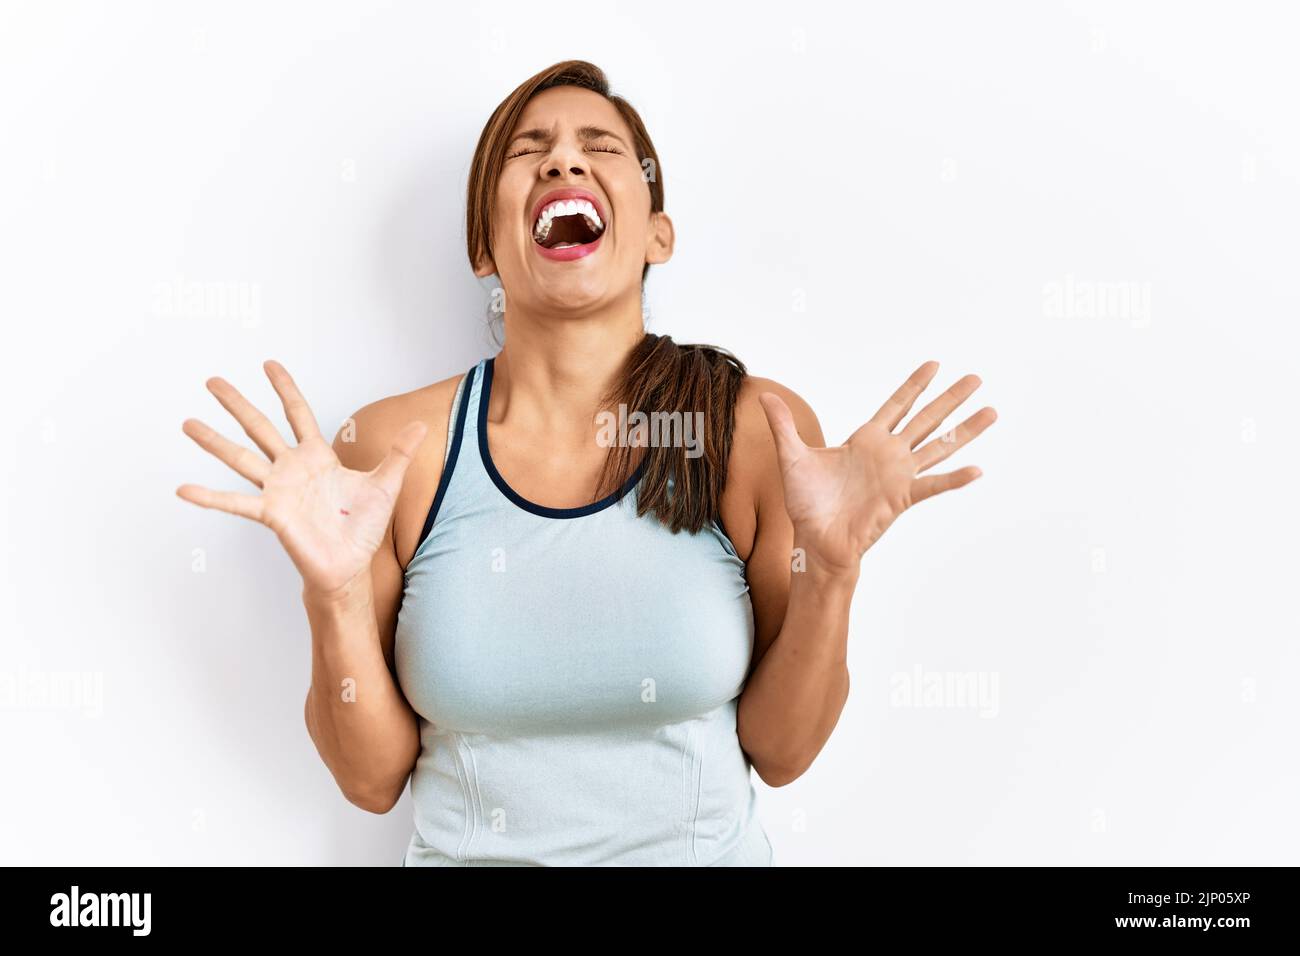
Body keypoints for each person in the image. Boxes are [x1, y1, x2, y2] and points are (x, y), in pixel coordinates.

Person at [176, 60, 997, 866]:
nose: (564, 159)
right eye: (529, 150)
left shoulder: (745, 428)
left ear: (656, 234)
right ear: (485, 248)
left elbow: (782, 751)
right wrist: (335, 594)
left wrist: (831, 572)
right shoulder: (398, 452)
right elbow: (370, 779)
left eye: (601, 147)